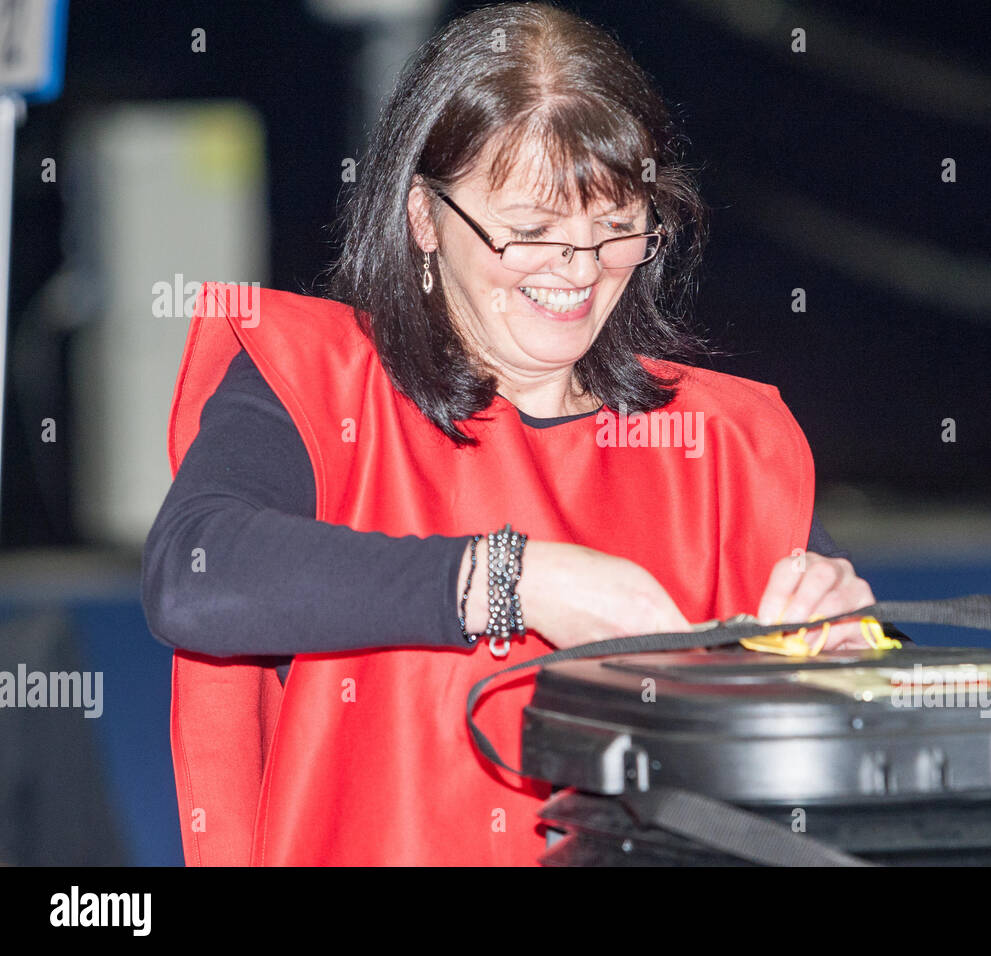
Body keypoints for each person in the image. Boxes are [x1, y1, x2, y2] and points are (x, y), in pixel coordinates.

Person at [141, 1, 878, 866]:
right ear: (424, 216)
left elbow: (841, 749)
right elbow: (193, 576)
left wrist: (850, 654)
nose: (575, 273)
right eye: (528, 234)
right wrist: (512, 579)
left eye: (612, 233)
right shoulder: (316, 383)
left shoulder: (723, 440)